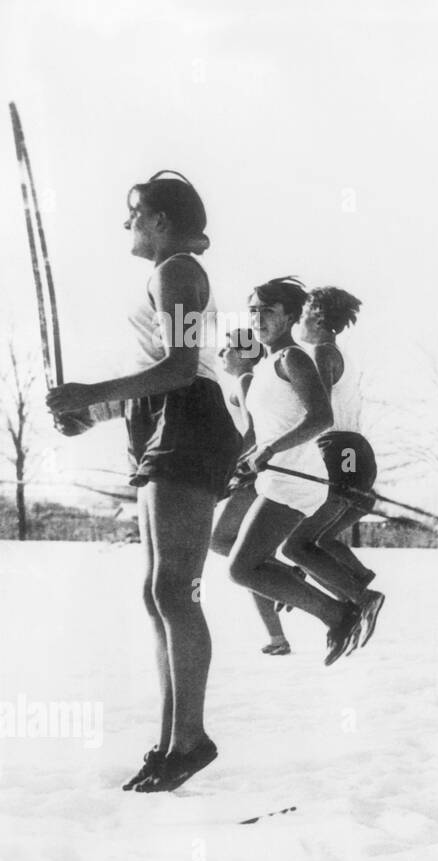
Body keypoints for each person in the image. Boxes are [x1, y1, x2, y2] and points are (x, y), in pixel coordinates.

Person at [47, 170, 242, 792]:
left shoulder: (178, 270)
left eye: (133, 213)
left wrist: (92, 392)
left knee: (174, 588)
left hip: (189, 425)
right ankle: (172, 741)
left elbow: (182, 369)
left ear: (159, 220)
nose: (126, 224)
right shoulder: (168, 274)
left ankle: (190, 740)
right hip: (165, 424)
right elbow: (157, 373)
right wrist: (92, 412)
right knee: (159, 591)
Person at [226, 277, 373, 665]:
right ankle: (338, 610)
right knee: (248, 565)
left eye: (268, 311)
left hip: (294, 481)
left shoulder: (295, 358)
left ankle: (341, 612)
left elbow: (321, 416)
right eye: (253, 310)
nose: (258, 318)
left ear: (290, 315)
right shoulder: (265, 368)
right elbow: (263, 429)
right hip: (275, 478)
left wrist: (271, 449)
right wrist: (246, 459)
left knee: (242, 567)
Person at [279, 286, 385, 649]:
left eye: (303, 311)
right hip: (354, 451)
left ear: (319, 316)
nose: (297, 320)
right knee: (319, 539)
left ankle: (359, 596)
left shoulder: (322, 353)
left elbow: (317, 415)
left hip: (339, 450)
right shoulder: (338, 353)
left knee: (295, 545)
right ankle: (355, 579)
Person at [210, 328, 293, 655]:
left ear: (246, 354)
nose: (222, 355)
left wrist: (232, 467)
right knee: (253, 561)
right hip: (253, 475)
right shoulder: (246, 382)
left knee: (220, 540)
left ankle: (289, 576)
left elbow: (253, 433)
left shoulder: (245, 381)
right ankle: (277, 637)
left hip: (251, 477)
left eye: (228, 349)